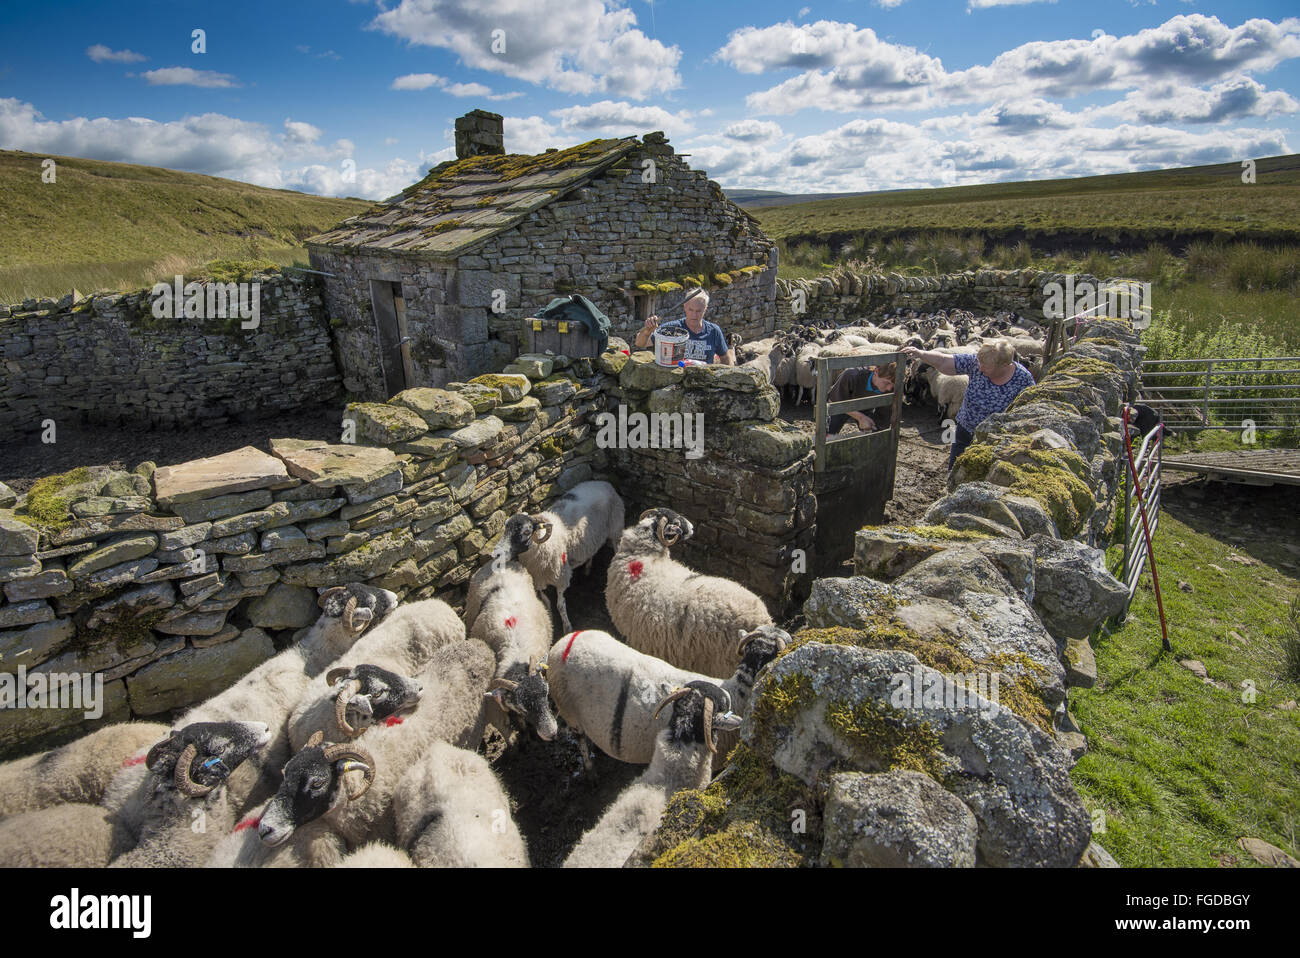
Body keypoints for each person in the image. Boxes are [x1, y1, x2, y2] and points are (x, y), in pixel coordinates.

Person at [902, 340, 1034, 469]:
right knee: (955, 468)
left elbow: (1030, 408)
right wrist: (920, 354)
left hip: (995, 439)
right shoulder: (976, 363)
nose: (980, 368)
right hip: (965, 429)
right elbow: (943, 361)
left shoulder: (1022, 379)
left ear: (1004, 365)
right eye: (980, 363)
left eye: (986, 366)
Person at [634, 288, 735, 365]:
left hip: (704, 382)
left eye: (699, 311)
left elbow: (726, 359)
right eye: (691, 310)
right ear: (685, 307)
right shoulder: (672, 329)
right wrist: (647, 331)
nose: (694, 315)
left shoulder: (714, 331)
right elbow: (640, 343)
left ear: (705, 309)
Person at [826, 362, 896, 435]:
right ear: (876, 371)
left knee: (877, 430)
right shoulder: (851, 375)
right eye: (886, 383)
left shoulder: (891, 389)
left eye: (892, 385)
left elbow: (884, 418)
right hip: (843, 403)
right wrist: (860, 417)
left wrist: (877, 429)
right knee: (829, 430)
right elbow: (833, 401)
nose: (889, 388)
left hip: (866, 407)